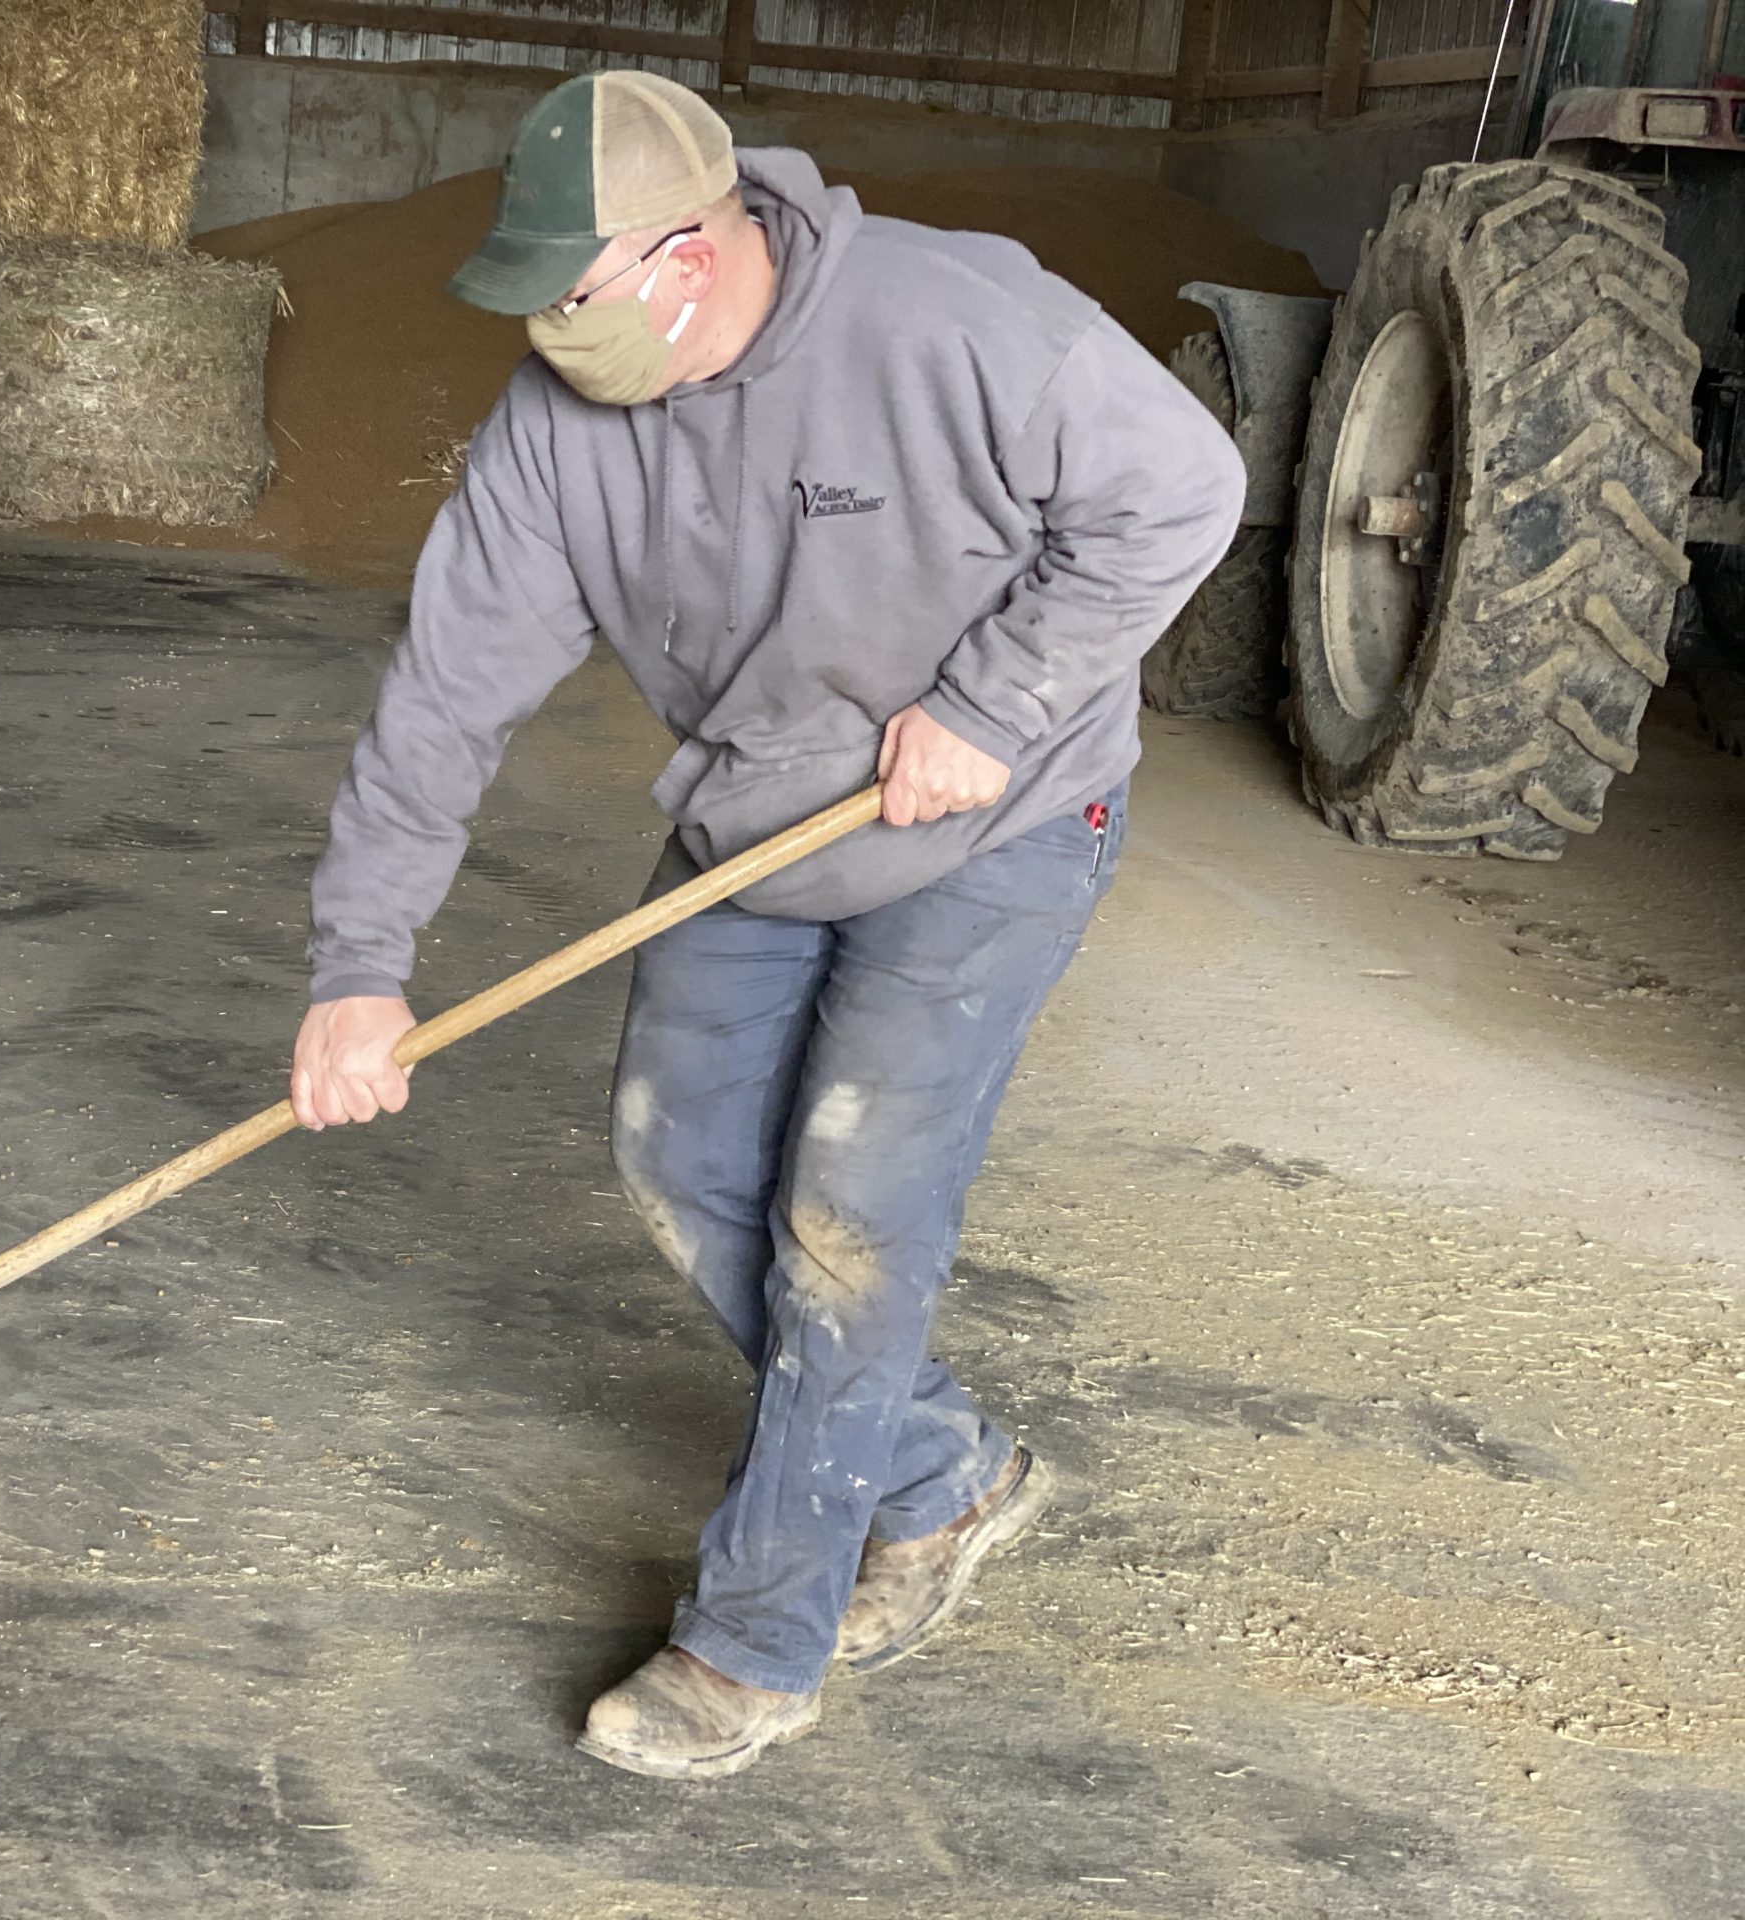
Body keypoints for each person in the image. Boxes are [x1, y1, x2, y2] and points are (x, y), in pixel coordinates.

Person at [286, 68, 1245, 1780]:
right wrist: (362, 970)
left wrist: (997, 705)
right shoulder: (556, 436)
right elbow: (442, 703)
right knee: (679, 1168)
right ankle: (944, 1471)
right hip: (762, 826)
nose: (551, 337)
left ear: (686, 251)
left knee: (848, 1221)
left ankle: (755, 1642)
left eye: (574, 298)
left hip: (996, 826)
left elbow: (1180, 486)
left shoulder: (950, 322)